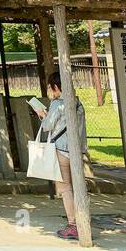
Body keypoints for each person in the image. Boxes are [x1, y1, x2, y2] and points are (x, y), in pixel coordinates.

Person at [37, 71, 88, 240]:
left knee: (66, 189)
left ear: (56, 87)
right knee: (79, 187)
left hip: (62, 151)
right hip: (77, 150)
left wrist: (42, 115)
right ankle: (83, 221)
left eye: (51, 87)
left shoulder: (57, 104)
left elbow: (47, 126)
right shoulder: (78, 102)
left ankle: (73, 224)